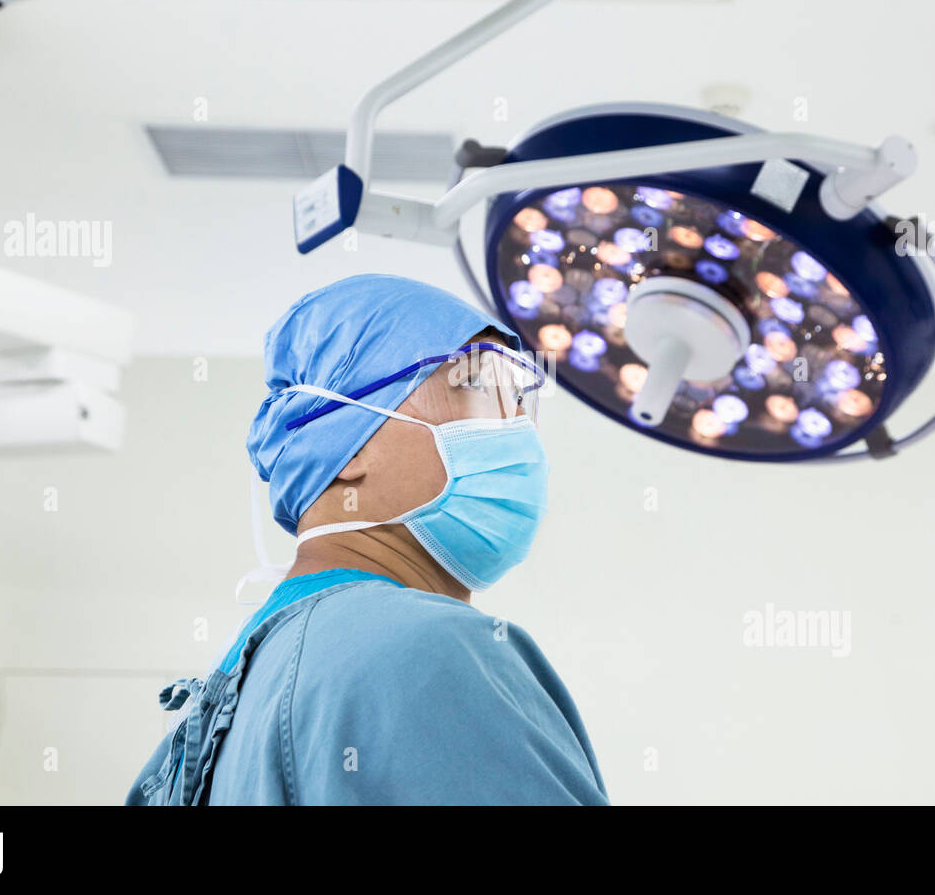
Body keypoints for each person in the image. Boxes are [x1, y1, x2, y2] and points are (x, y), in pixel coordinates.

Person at [126, 273, 607, 805]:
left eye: (518, 397)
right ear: (343, 443)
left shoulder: (245, 680)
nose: (518, 426)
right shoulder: (428, 650)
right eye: (473, 385)